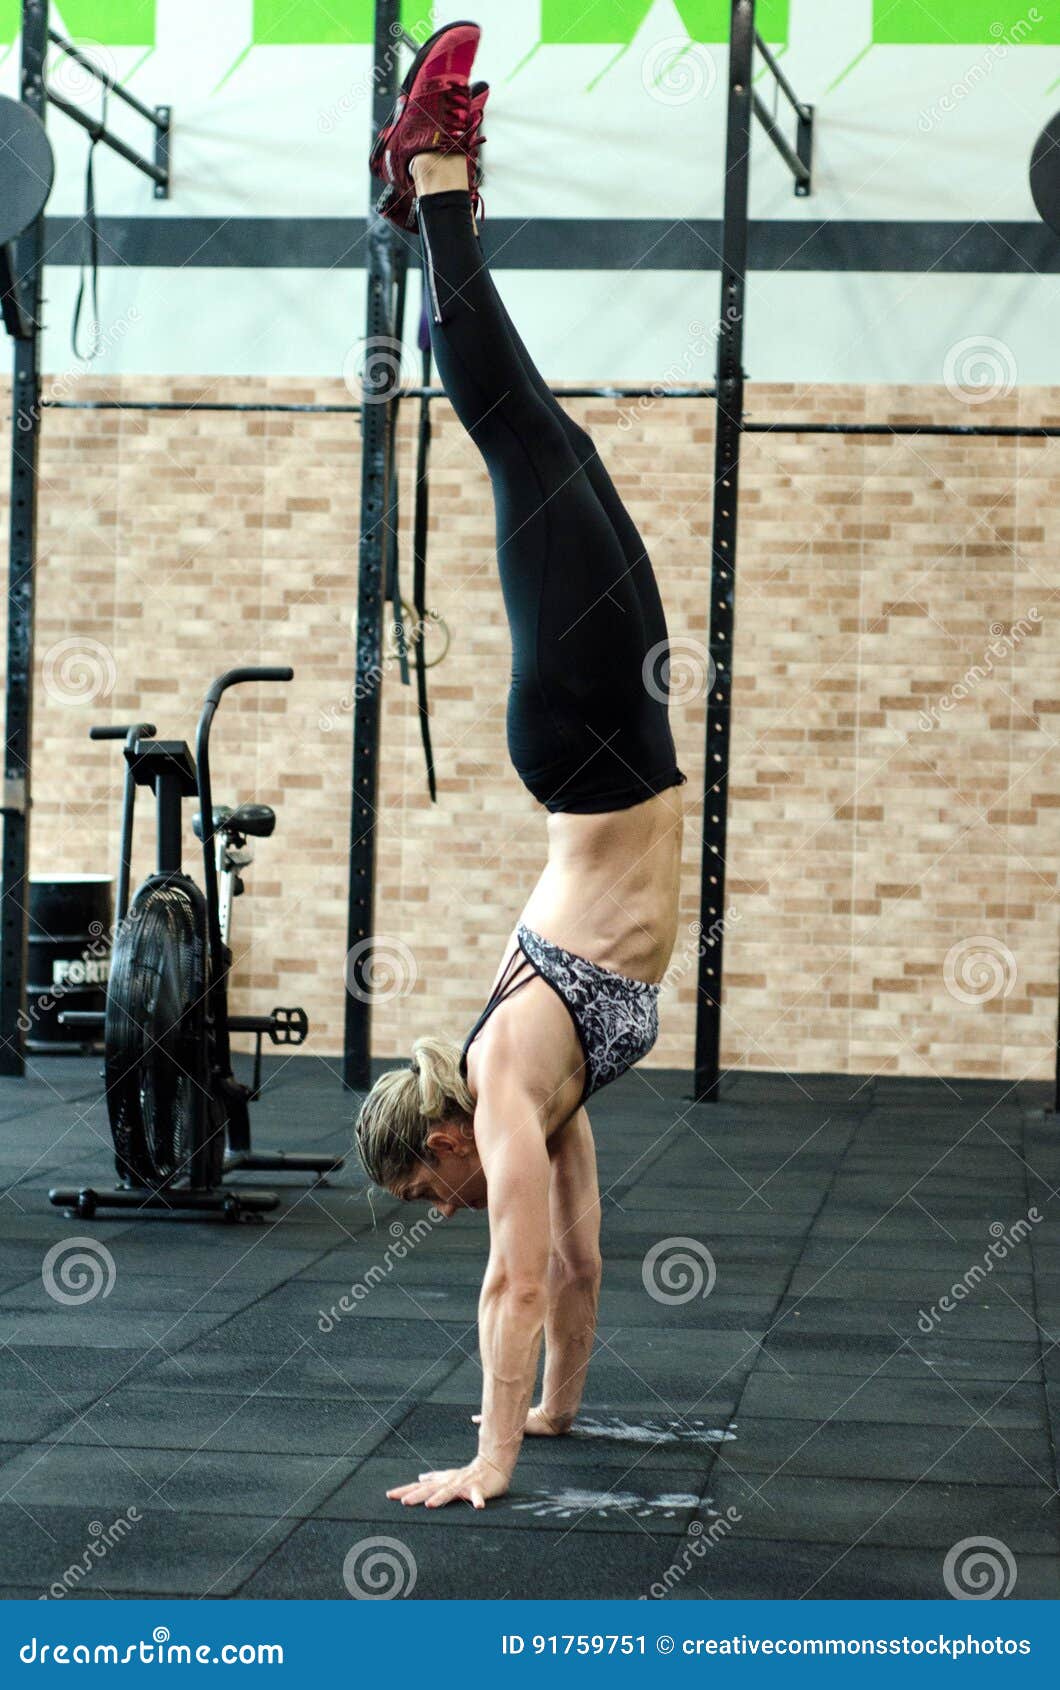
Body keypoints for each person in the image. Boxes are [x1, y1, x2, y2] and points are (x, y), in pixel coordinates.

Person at [356, 20, 687, 1510]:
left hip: (589, 734)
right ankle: (441, 207)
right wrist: (549, 1420)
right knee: (539, 436)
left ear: (435, 1138)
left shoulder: (501, 1080)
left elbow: (510, 1276)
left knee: (516, 437)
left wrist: (479, 1462)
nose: (451, 1200)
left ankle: (430, 176)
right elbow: (578, 1262)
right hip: (627, 732)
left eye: (429, 1188)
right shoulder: (541, 1093)